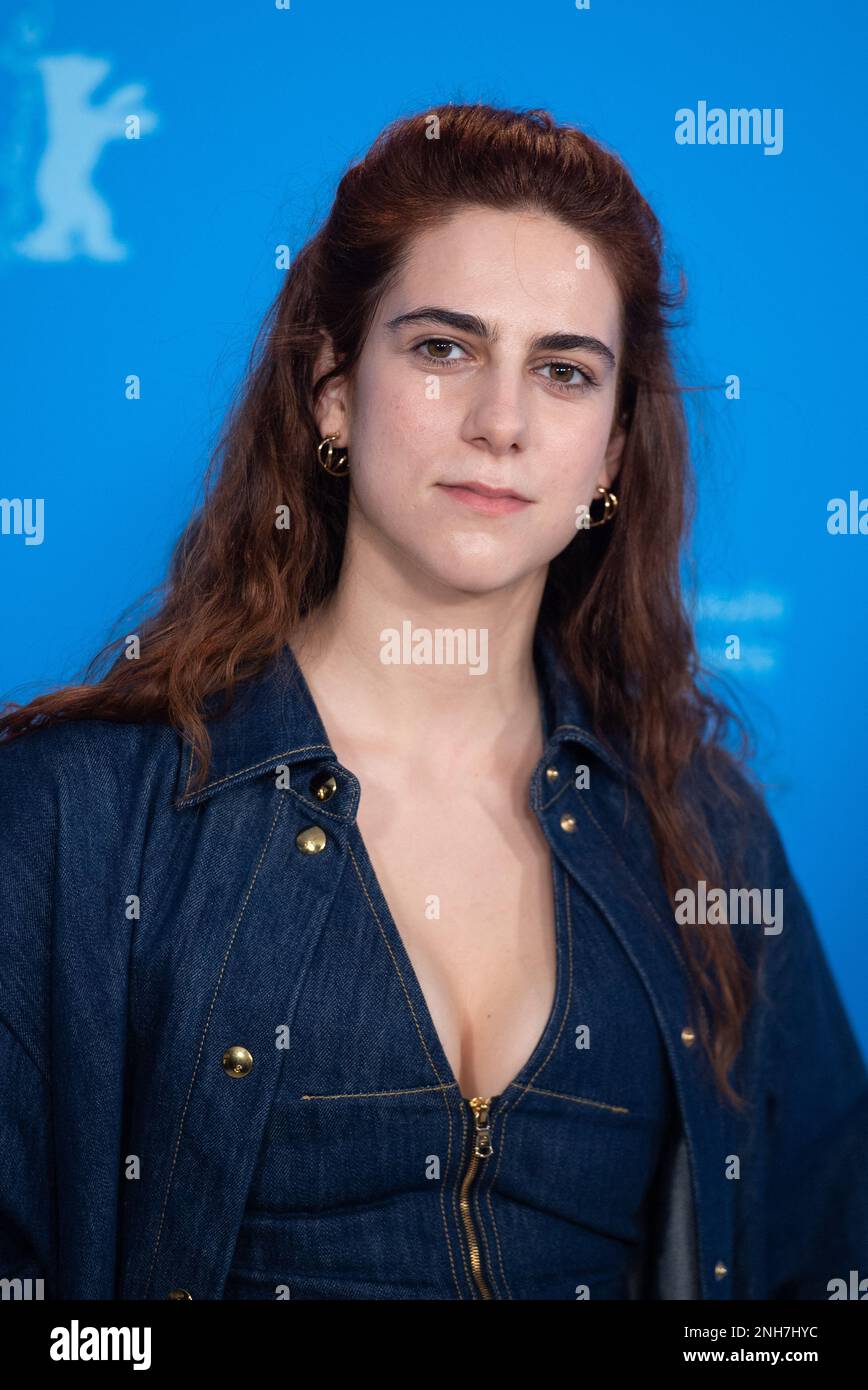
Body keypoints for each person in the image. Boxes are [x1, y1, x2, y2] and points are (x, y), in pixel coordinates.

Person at [1, 103, 866, 1302]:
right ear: (333, 393)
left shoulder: (703, 836)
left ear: (611, 453)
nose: (500, 425)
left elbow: (817, 1270)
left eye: (563, 372)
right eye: (443, 349)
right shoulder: (73, 815)